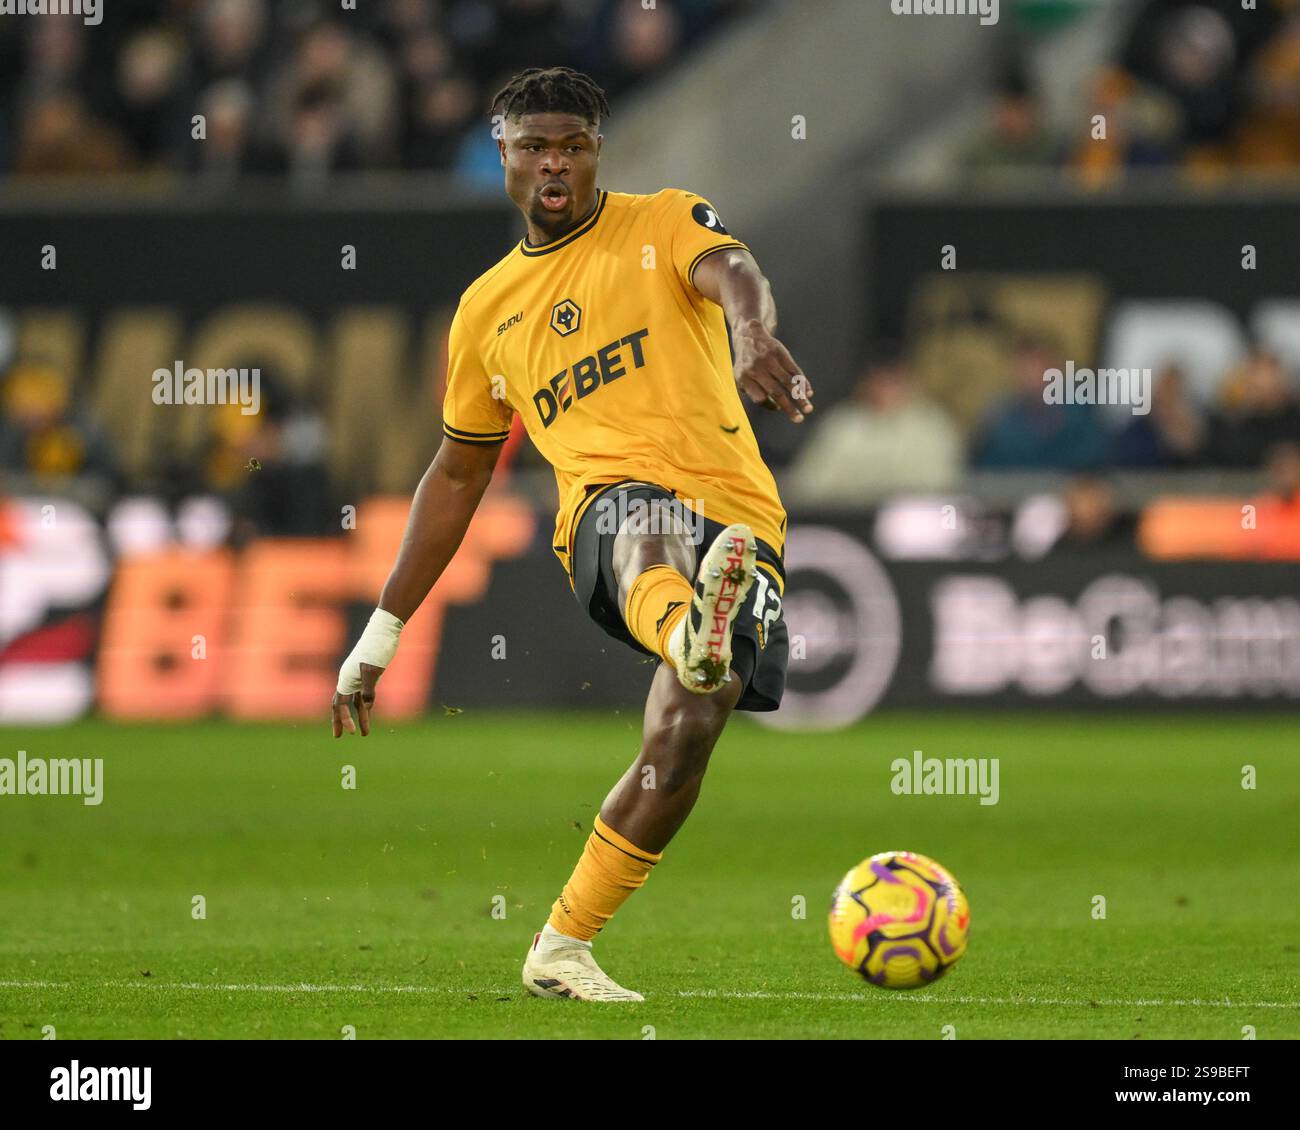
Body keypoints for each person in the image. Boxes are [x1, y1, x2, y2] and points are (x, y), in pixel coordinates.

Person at [328, 67, 812, 1002]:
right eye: (536, 146)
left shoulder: (663, 219)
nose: (556, 164)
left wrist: (750, 332)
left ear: (598, 153)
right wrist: (379, 633)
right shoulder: (485, 311)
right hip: (608, 520)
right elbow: (460, 472)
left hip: (744, 518)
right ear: (501, 153)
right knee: (646, 522)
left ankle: (559, 946)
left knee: (681, 745)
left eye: (575, 146)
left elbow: (736, 271)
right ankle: (689, 631)